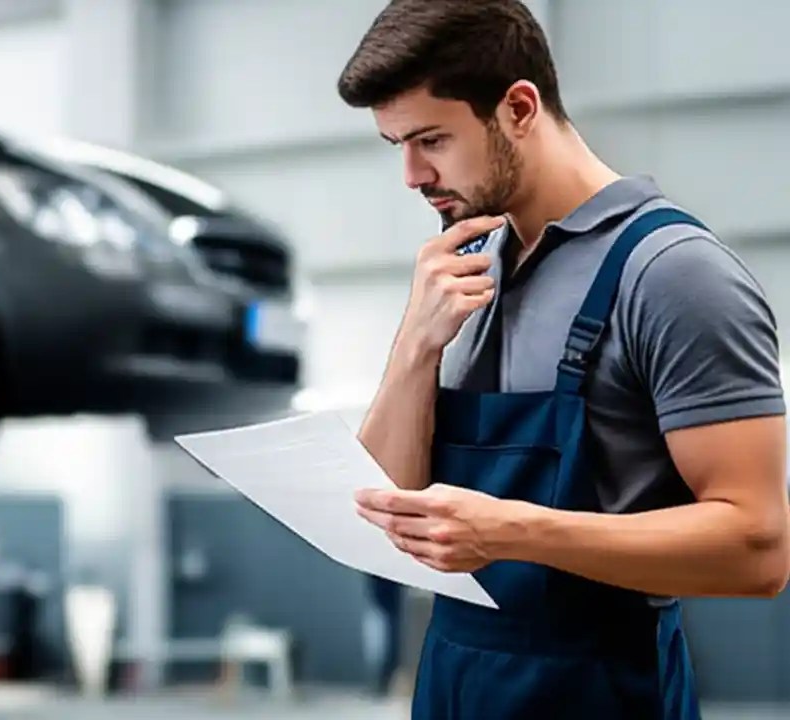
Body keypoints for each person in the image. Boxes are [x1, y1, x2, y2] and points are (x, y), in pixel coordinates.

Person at [339, 1, 790, 718]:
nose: (412, 175)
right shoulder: (464, 269)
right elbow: (385, 509)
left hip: (599, 690)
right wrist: (414, 345)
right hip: (455, 681)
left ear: (519, 107)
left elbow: (758, 548)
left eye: (431, 140)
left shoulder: (674, 274)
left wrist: (513, 530)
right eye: (396, 144)